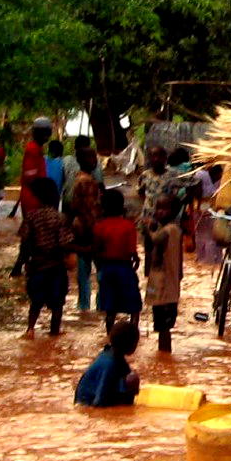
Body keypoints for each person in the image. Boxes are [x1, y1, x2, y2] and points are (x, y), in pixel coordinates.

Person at [10, 177, 69, 336]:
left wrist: (19, 265)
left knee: (35, 302)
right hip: (56, 267)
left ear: (37, 196)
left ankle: (30, 329)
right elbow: (65, 243)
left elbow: (25, 243)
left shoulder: (31, 216)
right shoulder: (59, 217)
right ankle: (54, 332)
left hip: (37, 266)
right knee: (57, 304)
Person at [92, 187, 142, 333]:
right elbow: (133, 253)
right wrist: (135, 262)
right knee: (134, 306)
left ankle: (110, 335)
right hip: (124, 268)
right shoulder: (128, 226)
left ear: (103, 207)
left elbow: (96, 251)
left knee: (110, 307)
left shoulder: (99, 227)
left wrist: (99, 267)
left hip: (107, 269)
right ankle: (133, 332)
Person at [143, 194, 183, 352]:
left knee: (164, 325)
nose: (159, 212)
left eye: (164, 208)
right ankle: (163, 352)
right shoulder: (172, 229)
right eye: (157, 208)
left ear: (174, 211)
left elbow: (156, 240)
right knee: (161, 325)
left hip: (164, 286)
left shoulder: (169, 230)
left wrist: (148, 230)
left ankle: (165, 352)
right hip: (162, 284)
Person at [66, 147, 104, 311]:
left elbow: (73, 207)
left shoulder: (79, 179)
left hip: (81, 230)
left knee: (84, 273)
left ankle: (84, 307)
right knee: (100, 271)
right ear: (81, 161)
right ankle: (101, 305)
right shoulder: (86, 182)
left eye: (94, 157)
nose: (94, 160)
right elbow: (87, 209)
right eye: (91, 158)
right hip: (90, 231)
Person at [75, 319, 141, 407]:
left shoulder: (115, 356)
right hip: (87, 404)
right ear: (128, 343)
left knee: (132, 379)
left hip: (99, 396)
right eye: (135, 342)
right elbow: (99, 402)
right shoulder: (109, 364)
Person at [19, 117, 53, 217]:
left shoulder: (37, 148)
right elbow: (30, 178)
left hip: (34, 197)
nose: (47, 136)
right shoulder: (33, 149)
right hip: (33, 198)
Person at [193, 163, 225, 266]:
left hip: (208, 209)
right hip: (204, 209)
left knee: (208, 236)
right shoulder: (201, 175)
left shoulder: (219, 181)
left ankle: (207, 261)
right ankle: (208, 261)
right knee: (206, 236)